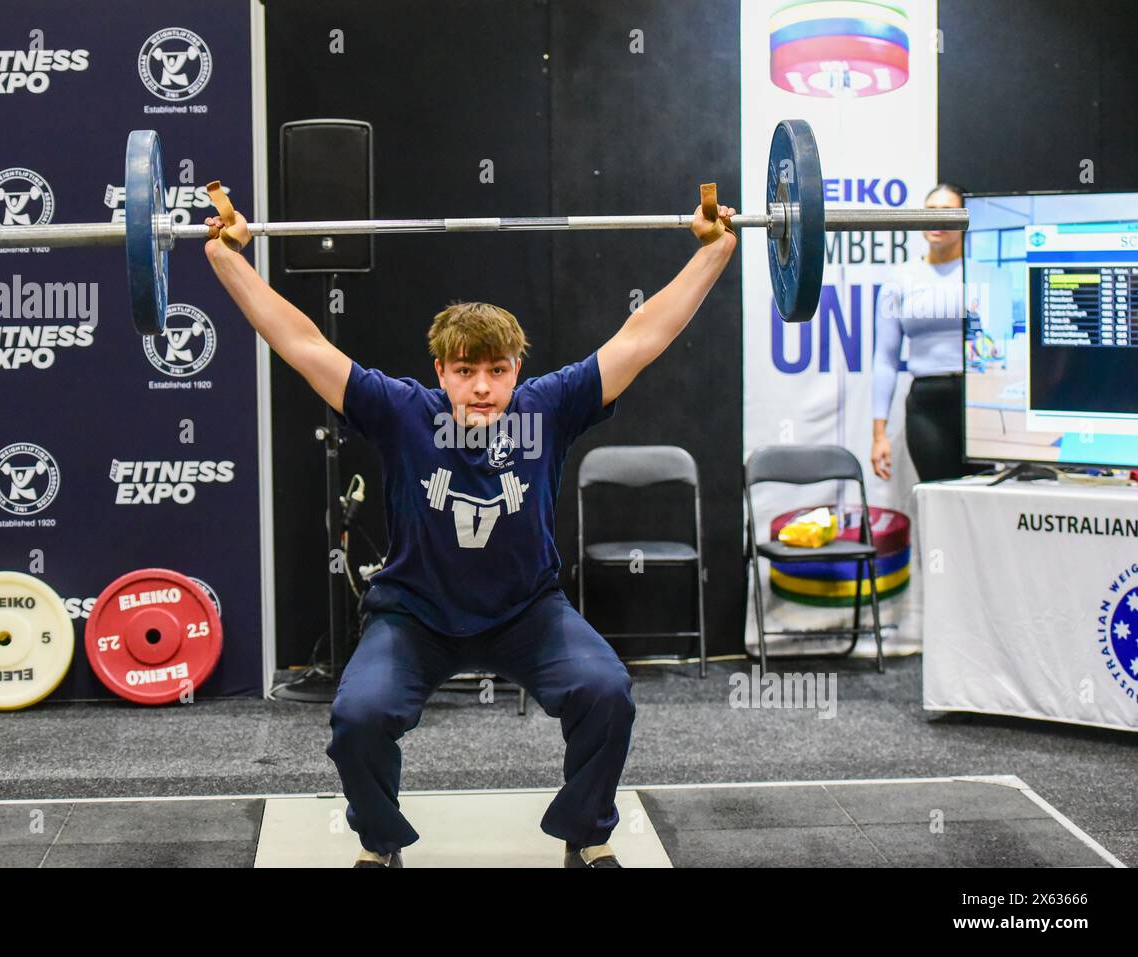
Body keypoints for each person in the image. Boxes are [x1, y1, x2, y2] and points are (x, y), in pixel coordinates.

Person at [203, 191, 737, 868]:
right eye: (465, 371)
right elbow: (301, 342)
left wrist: (715, 249)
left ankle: (585, 832)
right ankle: (380, 841)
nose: (481, 387)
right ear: (441, 372)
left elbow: (644, 335)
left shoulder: (549, 406)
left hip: (528, 614)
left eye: (496, 370)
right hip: (414, 617)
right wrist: (227, 259)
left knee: (607, 692)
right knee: (358, 718)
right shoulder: (401, 411)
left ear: (518, 369)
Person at [870, 184, 968, 483]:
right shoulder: (900, 278)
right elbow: (885, 360)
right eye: (931, 212)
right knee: (938, 500)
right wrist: (879, 435)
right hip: (928, 405)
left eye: (948, 213)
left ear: (964, 218)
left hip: (977, 401)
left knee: (983, 504)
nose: (938, 220)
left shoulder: (983, 269)